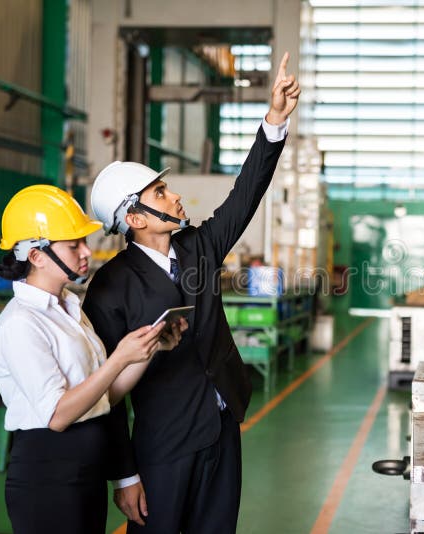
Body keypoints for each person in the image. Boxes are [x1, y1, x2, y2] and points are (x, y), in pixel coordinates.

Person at [82, 51, 300, 533]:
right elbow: (107, 394)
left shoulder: (199, 246)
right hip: (164, 447)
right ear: (134, 219)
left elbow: (247, 194)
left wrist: (274, 122)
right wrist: (125, 475)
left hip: (223, 429)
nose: (175, 196)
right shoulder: (111, 287)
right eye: (161, 193)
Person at [0, 185, 185, 534]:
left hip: (86, 473)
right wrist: (116, 360)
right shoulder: (21, 323)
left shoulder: (69, 309)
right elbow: (58, 415)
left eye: (84, 241)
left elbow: (102, 399)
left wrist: (145, 353)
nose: (86, 252)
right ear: (35, 255)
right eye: (73, 244)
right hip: (48, 477)